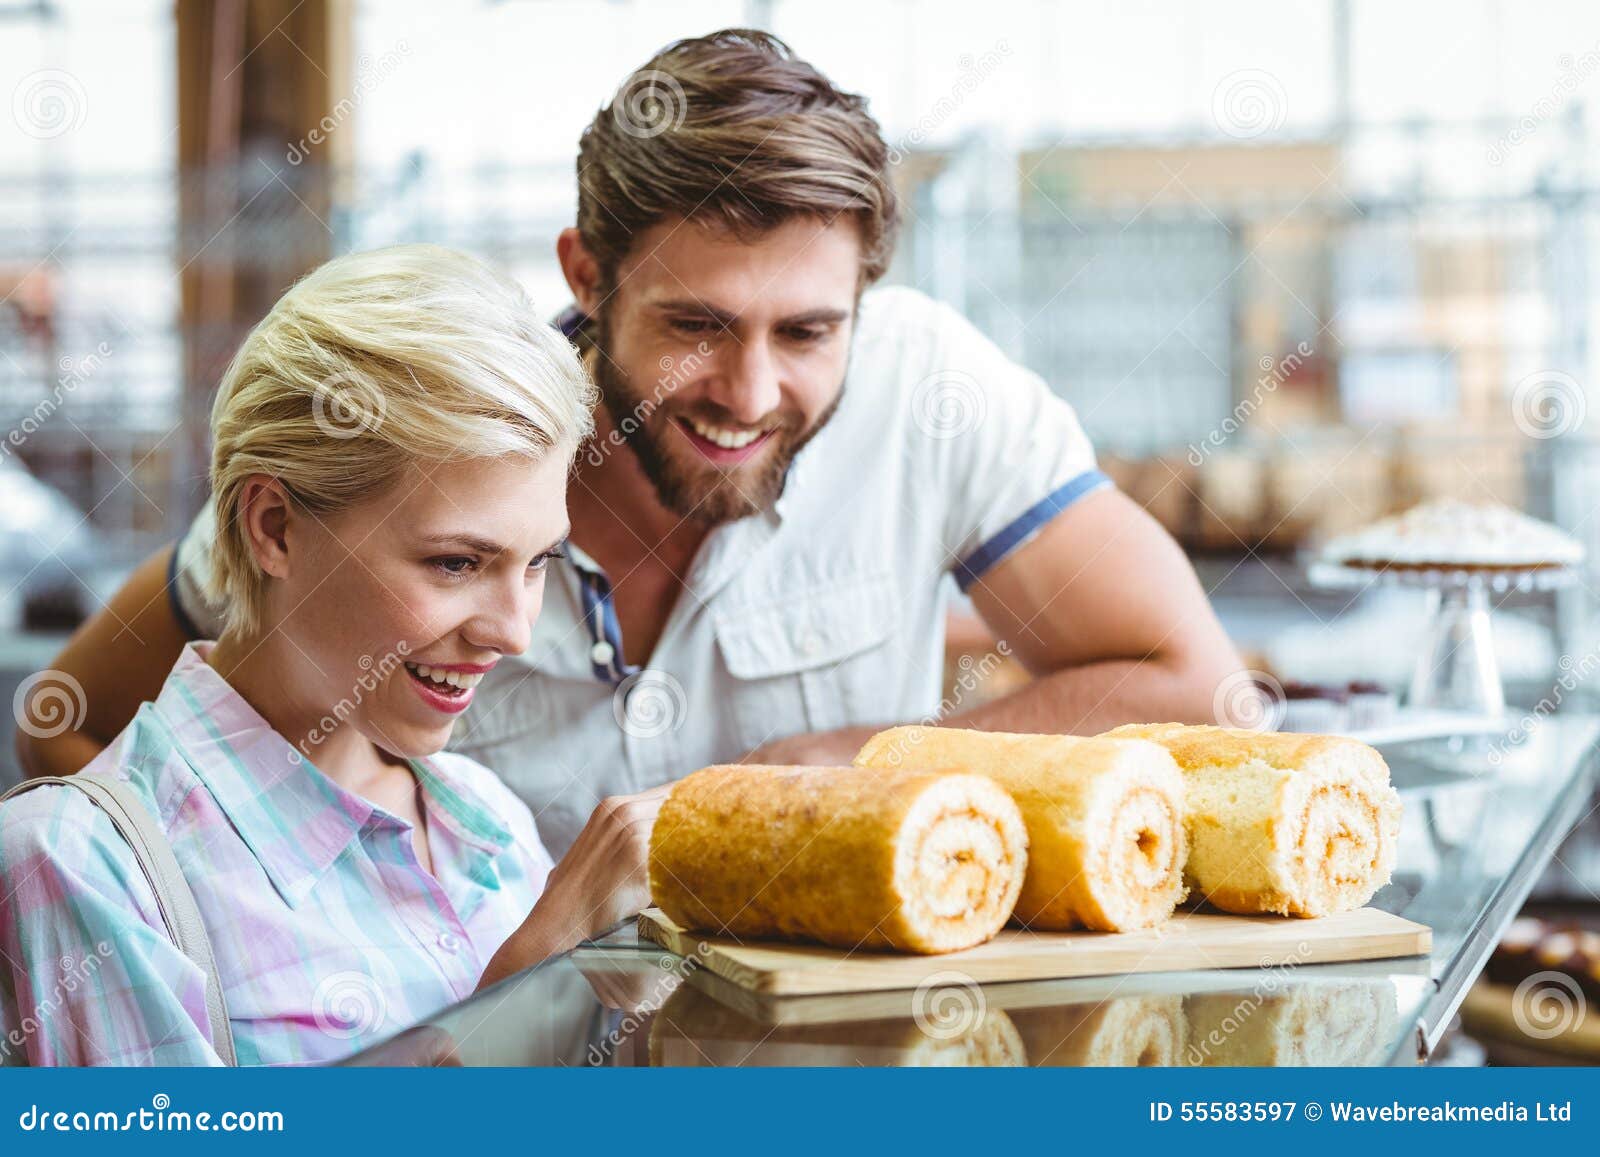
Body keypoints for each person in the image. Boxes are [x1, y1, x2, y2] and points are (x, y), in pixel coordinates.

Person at [17, 30, 1244, 860]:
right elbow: (67, 724)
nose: (748, 394)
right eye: (695, 325)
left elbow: (1197, 687)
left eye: (808, 330)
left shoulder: (935, 394)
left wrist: (864, 758)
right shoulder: (434, 430)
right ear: (587, 275)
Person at [0, 246, 663, 1066]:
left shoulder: (486, 817)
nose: (513, 631)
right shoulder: (79, 864)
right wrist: (533, 975)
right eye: (457, 563)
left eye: (538, 562)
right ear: (274, 527)